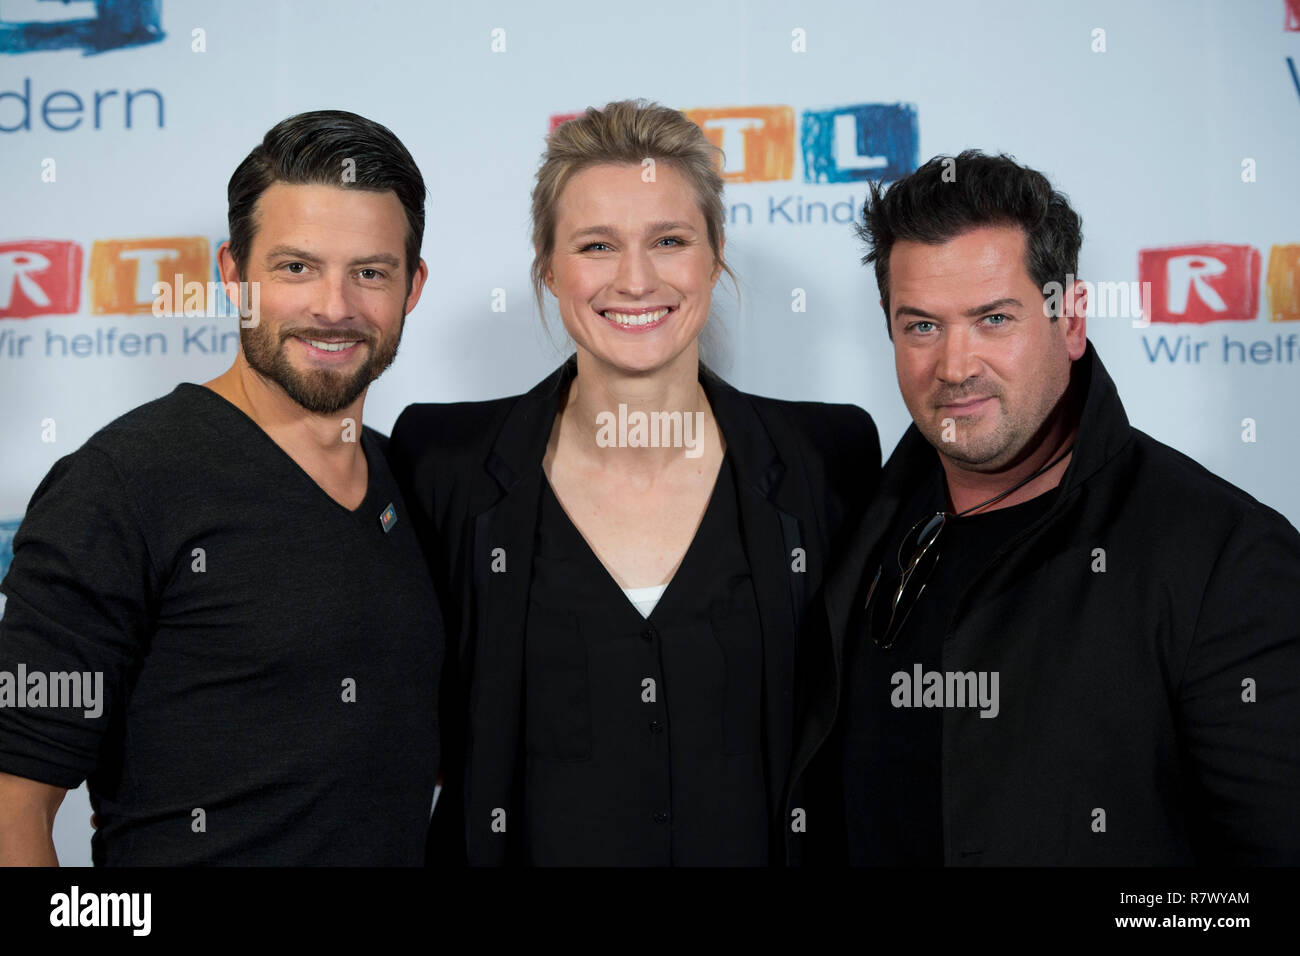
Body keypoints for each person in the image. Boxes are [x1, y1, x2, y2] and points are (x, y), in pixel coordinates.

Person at [389, 99, 880, 866]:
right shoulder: (441, 464)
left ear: (715, 257)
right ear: (548, 267)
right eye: (596, 245)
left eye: (670, 240)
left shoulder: (830, 459)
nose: (636, 278)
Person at [787, 150, 1300, 866]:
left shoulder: (1224, 557)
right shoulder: (867, 517)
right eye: (922, 327)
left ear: (1070, 319)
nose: (956, 365)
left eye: (994, 318)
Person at [0, 110, 443, 865]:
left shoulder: (419, 482)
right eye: (295, 267)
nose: (333, 307)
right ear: (233, 275)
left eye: (369, 271)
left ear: (413, 287)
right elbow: (13, 806)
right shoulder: (120, 486)